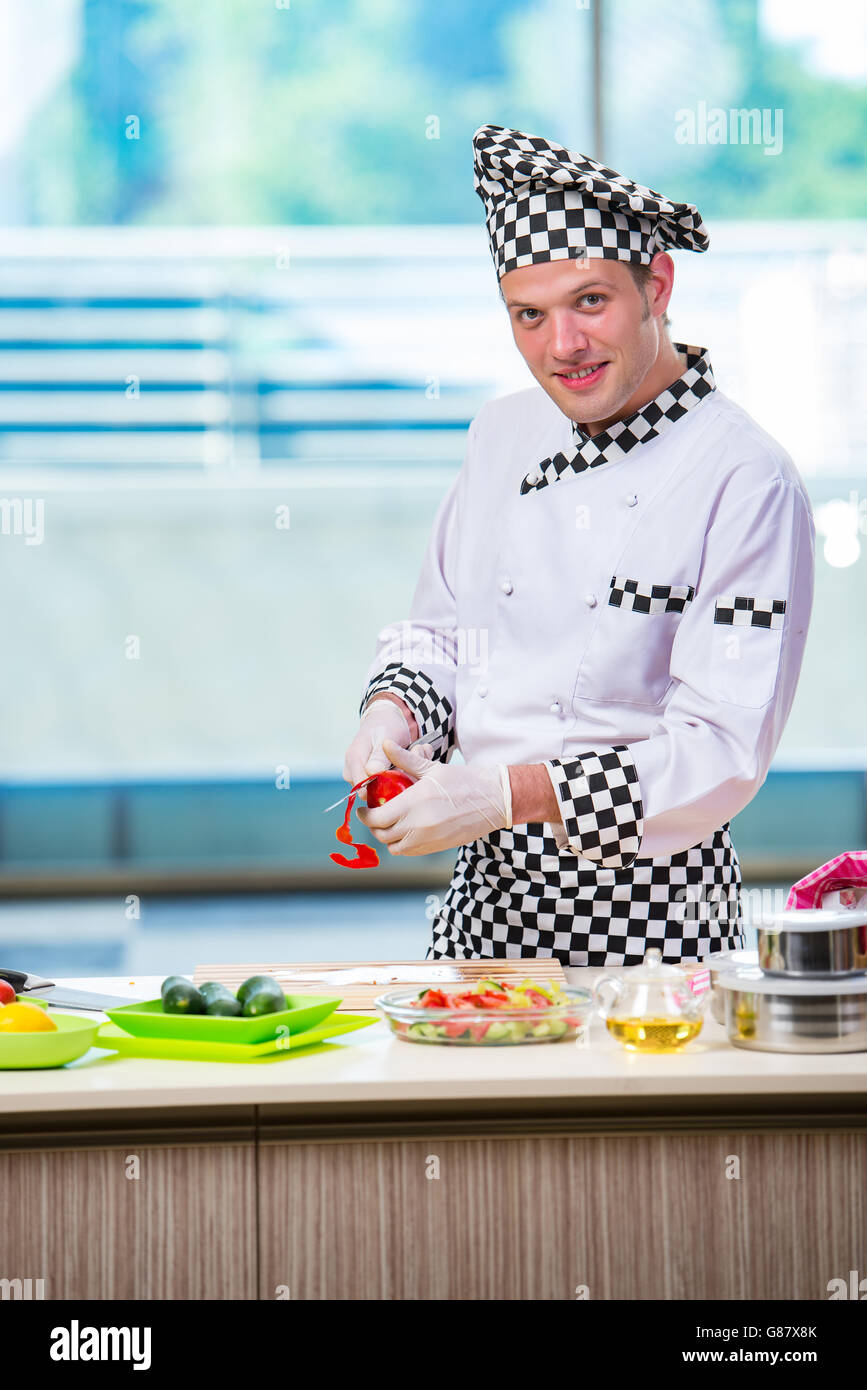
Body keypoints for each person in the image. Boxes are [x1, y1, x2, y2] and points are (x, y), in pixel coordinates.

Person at [343, 124, 815, 966]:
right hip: (480, 914)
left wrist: (502, 794)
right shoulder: (499, 433)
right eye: (529, 315)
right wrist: (393, 713)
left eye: (589, 302)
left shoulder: (745, 480)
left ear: (657, 286)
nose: (561, 347)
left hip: (653, 926)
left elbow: (720, 750)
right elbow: (442, 632)